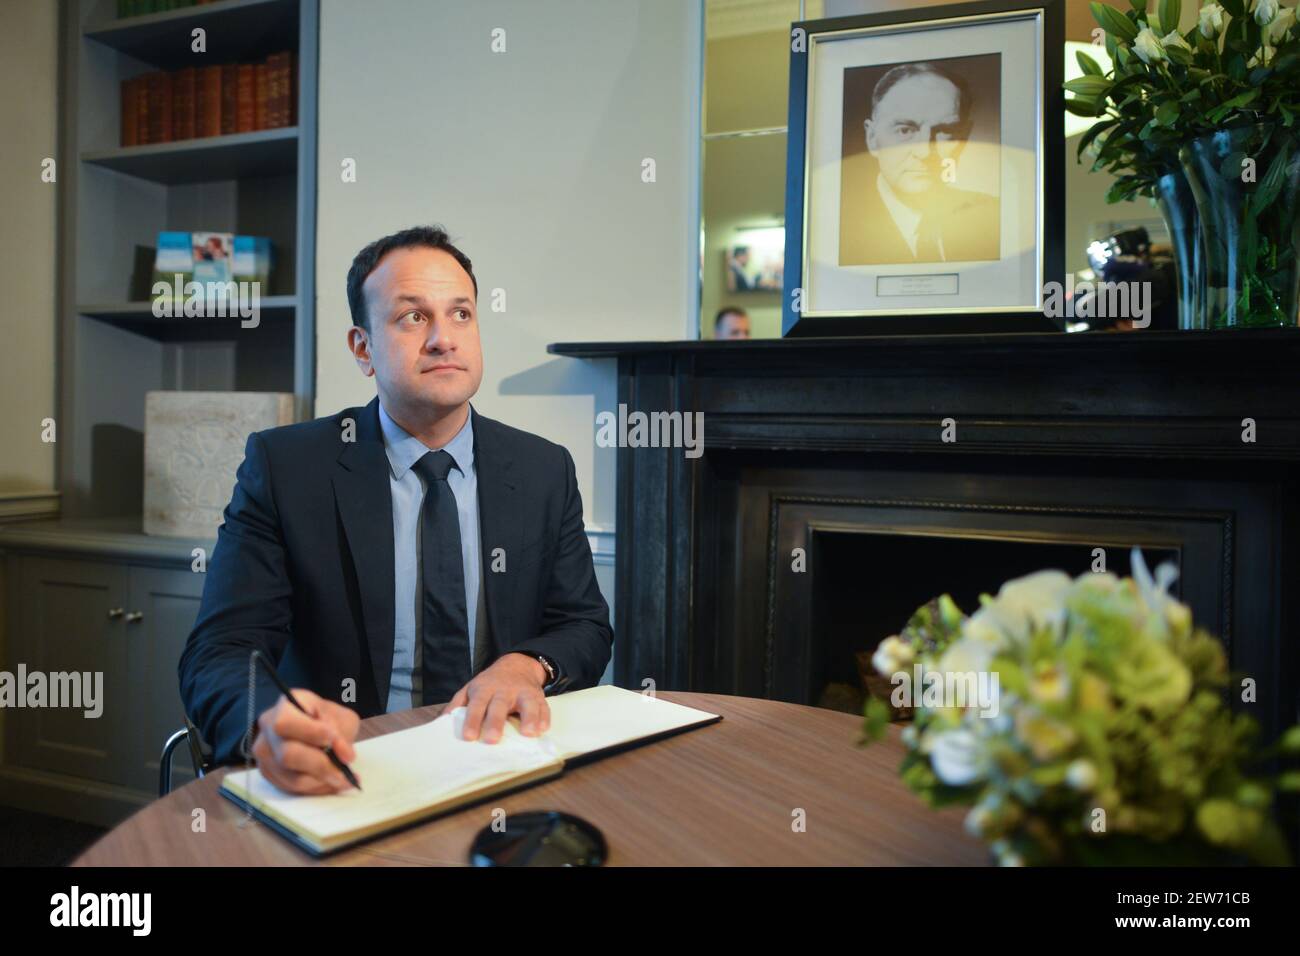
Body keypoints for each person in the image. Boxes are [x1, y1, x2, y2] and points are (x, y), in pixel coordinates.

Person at [178, 225, 613, 794]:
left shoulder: (542, 468)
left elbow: (583, 625)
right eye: (413, 317)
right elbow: (221, 650)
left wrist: (525, 665)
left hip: (500, 762)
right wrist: (267, 721)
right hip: (350, 770)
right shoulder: (287, 467)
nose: (443, 339)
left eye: (461, 314)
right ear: (363, 348)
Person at [840, 61, 999, 266]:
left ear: (964, 137)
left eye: (944, 131)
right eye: (905, 130)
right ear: (872, 138)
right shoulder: (836, 228)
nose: (924, 152)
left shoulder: (994, 217)